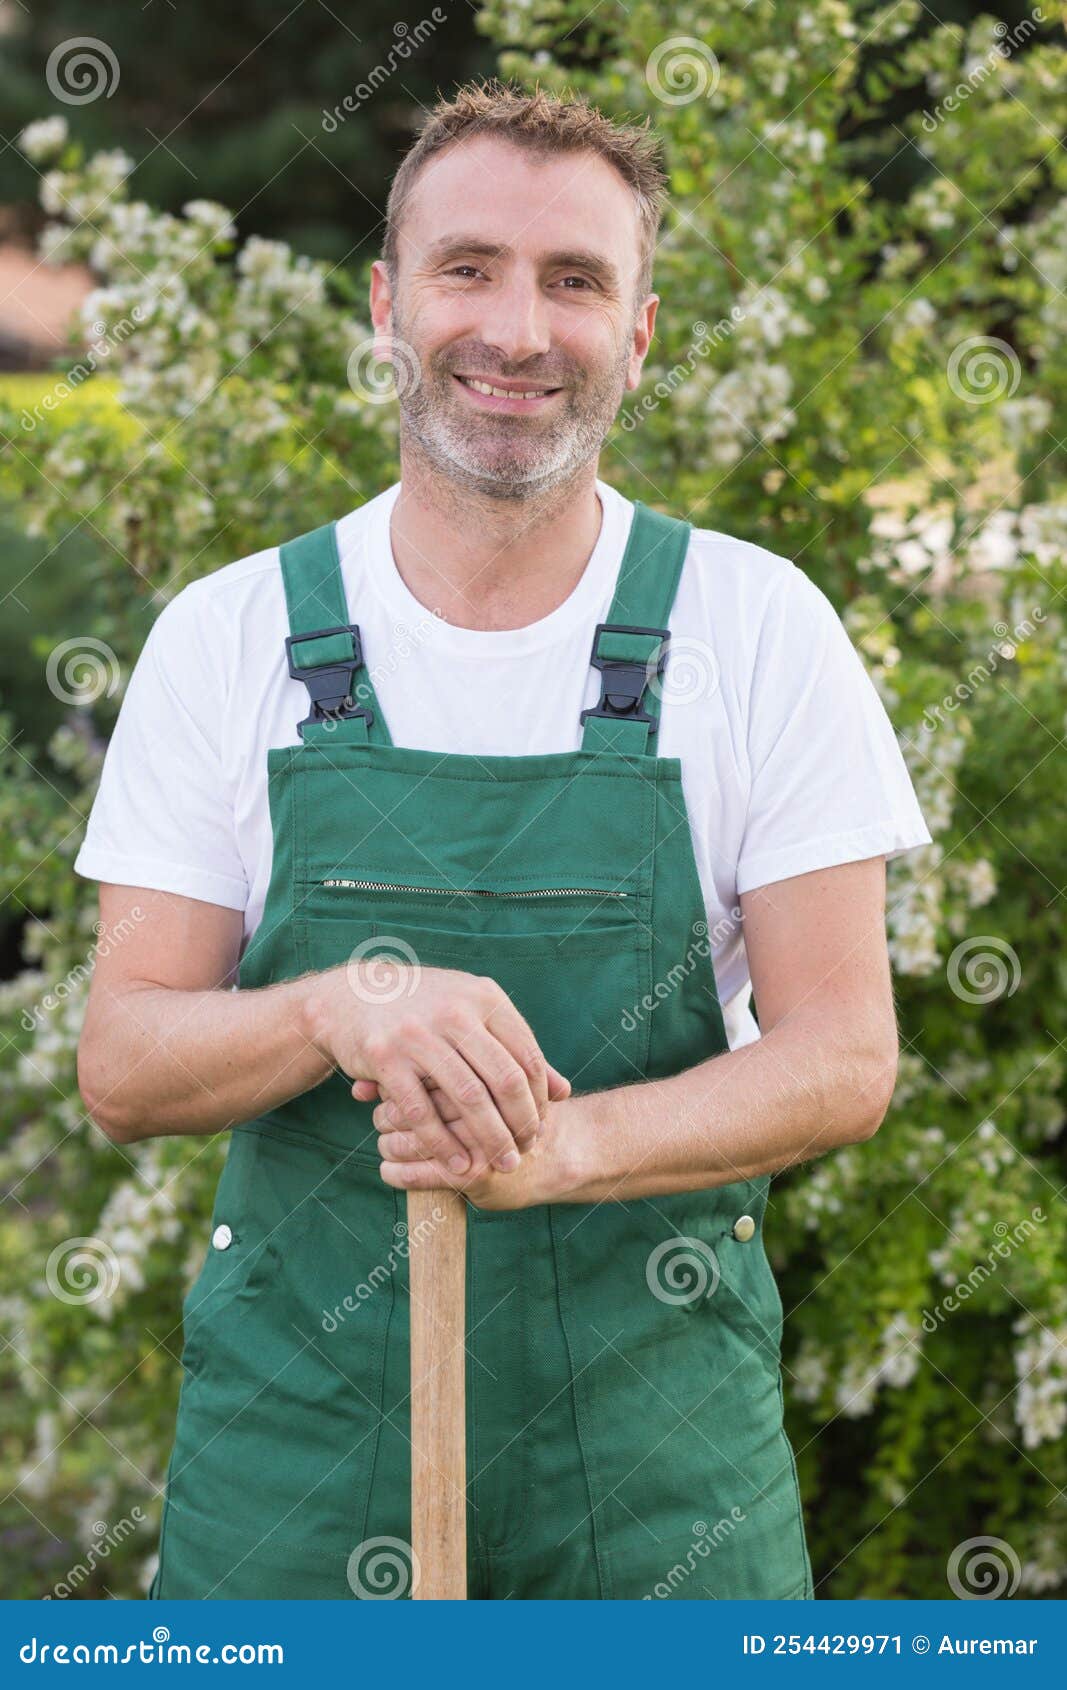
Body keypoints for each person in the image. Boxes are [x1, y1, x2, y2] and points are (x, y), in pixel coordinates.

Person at [75, 79, 931, 1601]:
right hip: (294, 1461)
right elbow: (127, 1061)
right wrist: (339, 1001)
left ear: (642, 331)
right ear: (389, 302)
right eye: (469, 268)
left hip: (662, 1472)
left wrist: (563, 1145)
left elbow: (846, 1055)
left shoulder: (754, 628)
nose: (519, 330)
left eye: (576, 281)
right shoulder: (233, 636)